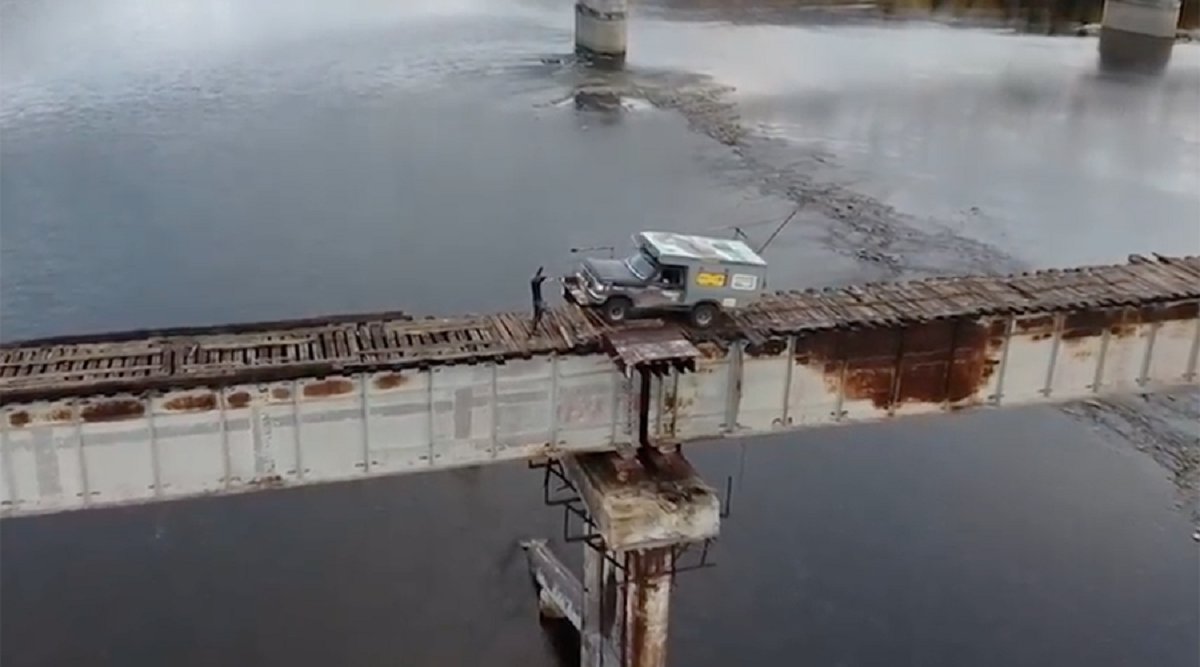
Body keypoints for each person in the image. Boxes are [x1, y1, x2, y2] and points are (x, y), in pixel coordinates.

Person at [530, 266, 547, 335]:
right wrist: (544, 278)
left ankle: (534, 328)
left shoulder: (533, 282)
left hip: (535, 301)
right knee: (539, 314)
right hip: (538, 301)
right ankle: (534, 328)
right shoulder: (536, 283)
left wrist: (540, 271)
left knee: (536, 314)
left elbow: (538, 277)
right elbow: (540, 279)